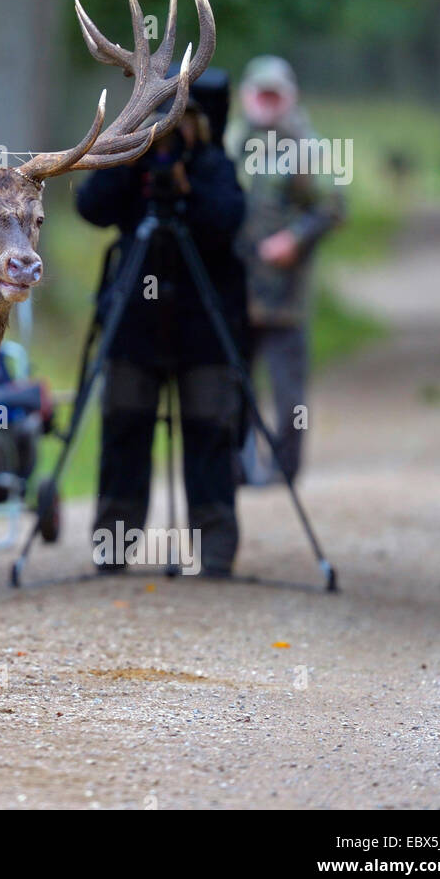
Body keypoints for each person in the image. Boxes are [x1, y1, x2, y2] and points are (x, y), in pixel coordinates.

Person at [75, 77, 248, 576]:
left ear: (200, 124)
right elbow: (90, 206)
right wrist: (130, 159)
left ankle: (215, 549)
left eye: (179, 122)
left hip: (204, 329)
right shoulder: (134, 169)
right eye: (161, 124)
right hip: (135, 326)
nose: (168, 135)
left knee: (211, 431)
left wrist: (189, 185)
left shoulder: (213, 167)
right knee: (124, 428)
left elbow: (228, 220)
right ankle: (113, 543)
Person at [226, 56, 345, 485]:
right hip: (236, 291)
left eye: (275, 93)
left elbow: (333, 208)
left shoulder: (305, 146)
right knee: (235, 384)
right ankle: (238, 466)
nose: (266, 100)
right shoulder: (230, 141)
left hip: (284, 297)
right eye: (260, 92)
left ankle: (285, 468)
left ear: (288, 97)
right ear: (247, 95)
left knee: (288, 393)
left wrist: (294, 239)